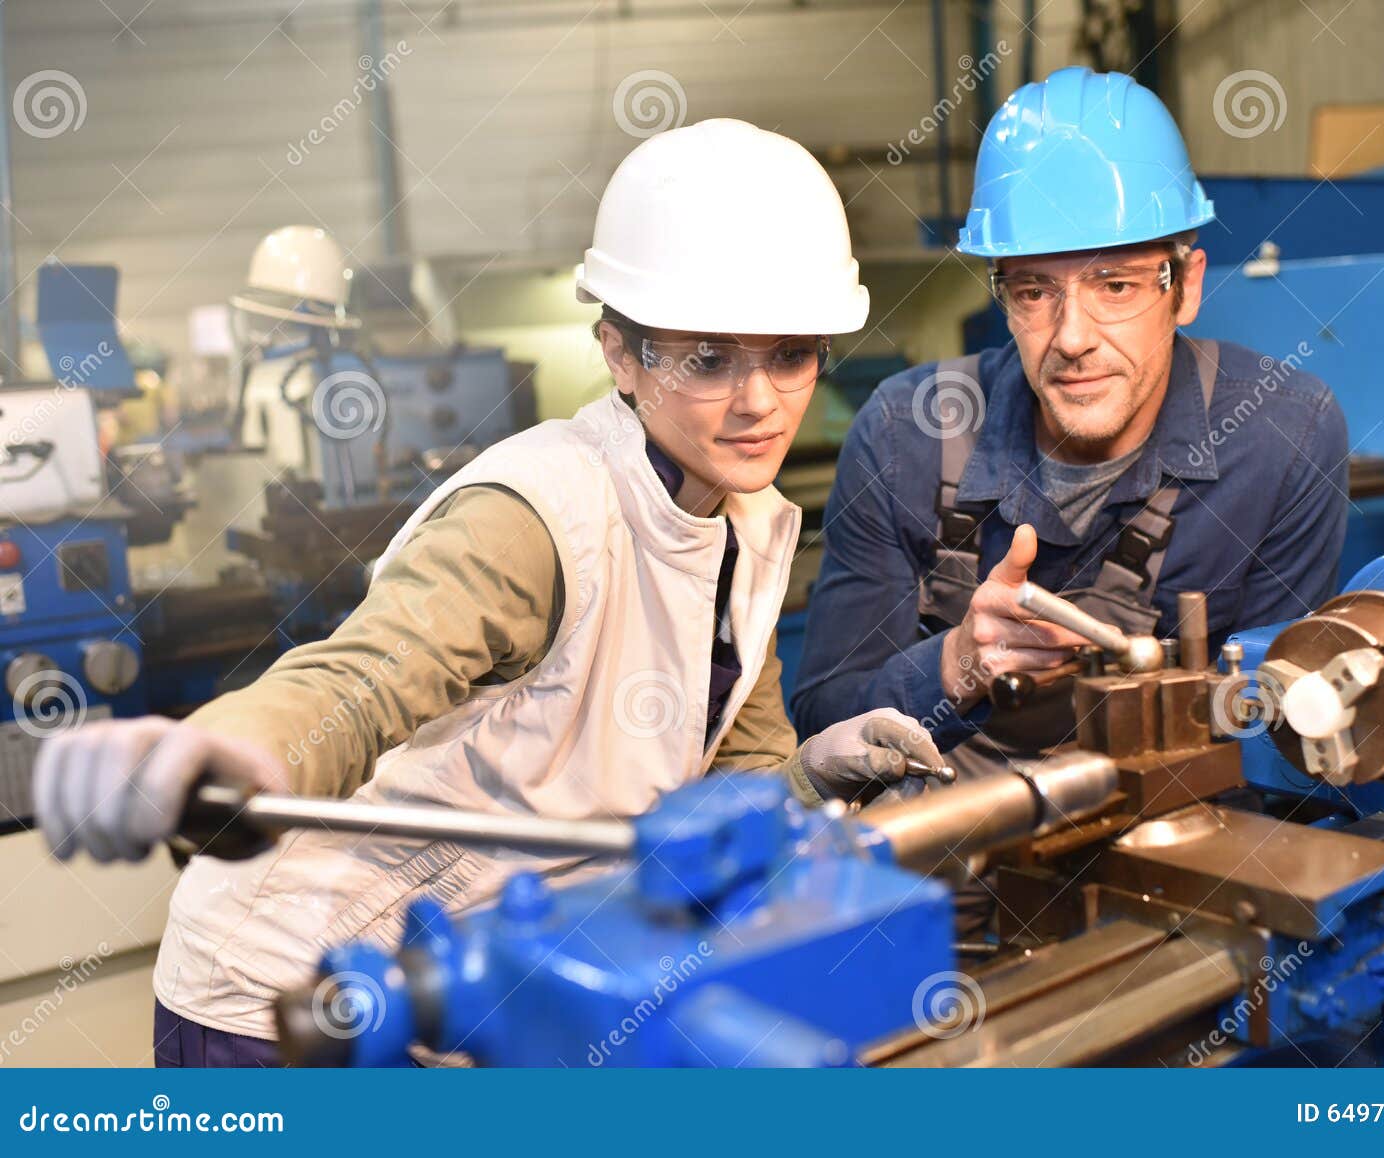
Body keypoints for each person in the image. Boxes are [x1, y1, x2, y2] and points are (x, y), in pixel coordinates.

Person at [32, 118, 940, 1066]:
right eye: (708, 358)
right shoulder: (540, 514)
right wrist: (219, 749)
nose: (759, 401)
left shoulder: (747, 526)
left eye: (790, 355)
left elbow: (728, 796)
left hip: (472, 978)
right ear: (620, 354)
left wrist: (816, 775)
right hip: (295, 991)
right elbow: (355, 686)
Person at [791, 67, 1350, 775]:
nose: (1073, 336)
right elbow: (824, 720)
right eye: (1035, 291)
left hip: (1177, 857)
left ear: (1188, 287)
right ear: (1002, 297)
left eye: (1115, 285)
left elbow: (1281, 737)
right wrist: (958, 662)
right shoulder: (908, 435)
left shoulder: (1280, 438)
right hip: (952, 860)